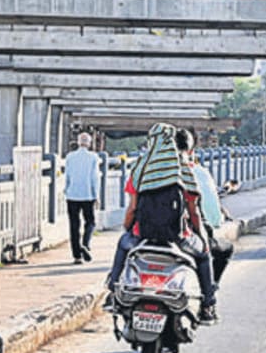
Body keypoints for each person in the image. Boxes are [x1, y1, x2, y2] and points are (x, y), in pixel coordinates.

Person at [105, 123, 219, 322]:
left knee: (123, 244)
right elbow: (194, 212)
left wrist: (129, 229)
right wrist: (203, 238)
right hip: (178, 238)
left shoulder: (140, 168)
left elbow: (131, 209)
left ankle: (113, 292)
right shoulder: (182, 169)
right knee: (203, 255)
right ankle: (208, 304)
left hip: (143, 236)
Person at [179, 128, 234, 284]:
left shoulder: (147, 171)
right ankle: (208, 295)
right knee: (210, 252)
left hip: (146, 236)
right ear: (190, 151)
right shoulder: (196, 173)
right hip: (182, 235)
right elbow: (202, 215)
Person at [63, 132, 101, 264]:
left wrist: (66, 189)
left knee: (74, 225)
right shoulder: (93, 157)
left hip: (72, 194)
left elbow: (67, 176)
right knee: (90, 222)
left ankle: (77, 256)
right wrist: (96, 195)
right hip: (87, 195)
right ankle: (85, 243)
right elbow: (94, 178)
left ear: (78, 142)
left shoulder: (70, 157)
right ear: (89, 144)